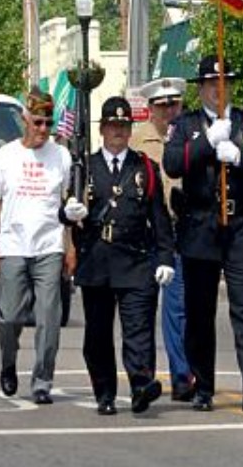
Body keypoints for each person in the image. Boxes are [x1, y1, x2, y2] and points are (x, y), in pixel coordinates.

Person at [162, 56, 243, 414]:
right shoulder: (185, 125)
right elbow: (172, 163)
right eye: (211, 83)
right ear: (201, 88)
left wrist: (242, 156)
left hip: (242, 225)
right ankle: (203, 385)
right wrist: (205, 144)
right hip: (201, 225)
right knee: (200, 312)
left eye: (224, 82)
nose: (219, 89)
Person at [70, 96, 175, 416]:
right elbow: (68, 210)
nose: (118, 131)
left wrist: (166, 259)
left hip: (135, 260)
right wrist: (69, 213)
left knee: (139, 329)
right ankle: (104, 392)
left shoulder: (145, 167)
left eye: (124, 126)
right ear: (102, 130)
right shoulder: (84, 167)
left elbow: (160, 220)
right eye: (113, 126)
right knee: (98, 333)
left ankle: (141, 384)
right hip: (97, 261)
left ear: (130, 130)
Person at [0, 88, 73, 405]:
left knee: (49, 317)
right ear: (25, 120)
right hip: (14, 245)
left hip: (49, 245)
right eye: (38, 122)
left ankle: (42, 381)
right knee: (8, 318)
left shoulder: (61, 156)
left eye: (49, 122)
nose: (43, 129)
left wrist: (69, 246)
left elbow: (67, 206)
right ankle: (8, 363)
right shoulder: (5, 156)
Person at [129, 76, 193, 401]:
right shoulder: (137, 141)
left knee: (177, 308)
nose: (169, 110)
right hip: (145, 237)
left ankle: (182, 375)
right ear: (151, 108)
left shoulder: (192, 136)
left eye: (174, 104)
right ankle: (145, 379)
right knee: (141, 311)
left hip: (180, 232)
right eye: (162, 105)